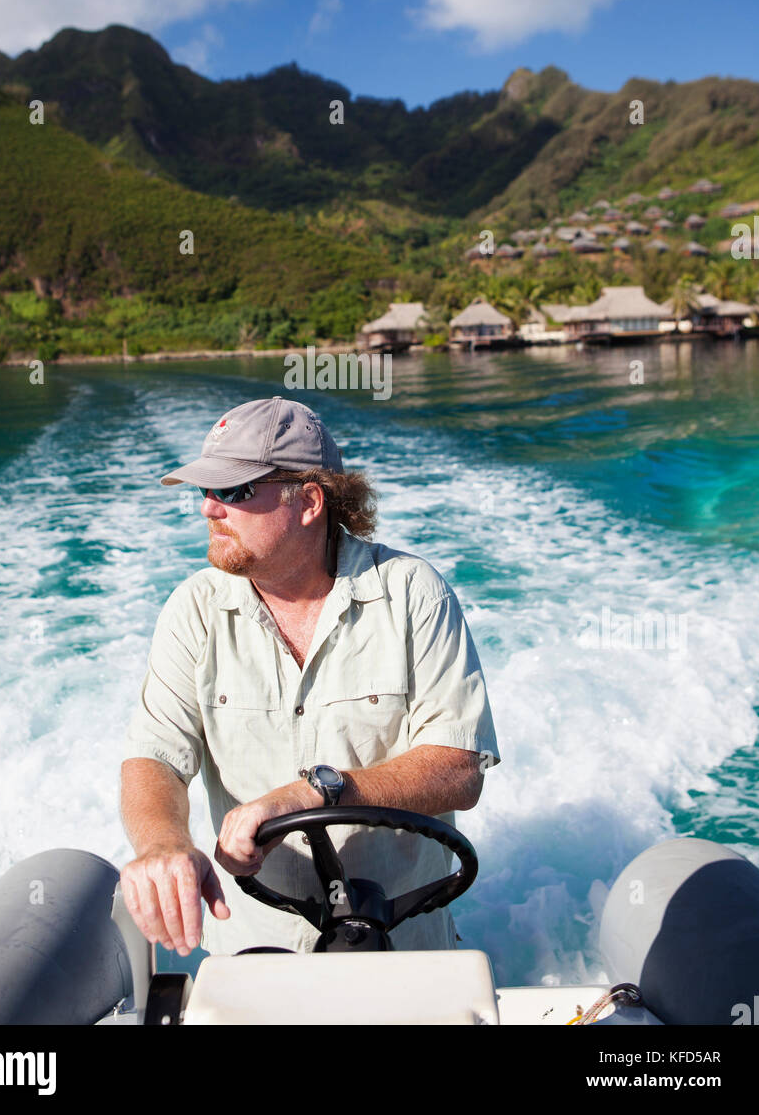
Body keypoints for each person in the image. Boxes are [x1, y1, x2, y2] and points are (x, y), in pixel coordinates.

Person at [120, 395, 500, 957]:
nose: (208, 509)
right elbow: (155, 757)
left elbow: (460, 769)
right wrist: (163, 843)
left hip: (404, 946)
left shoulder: (413, 592)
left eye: (233, 491)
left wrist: (309, 795)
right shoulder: (193, 610)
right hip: (256, 951)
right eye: (206, 491)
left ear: (309, 502)